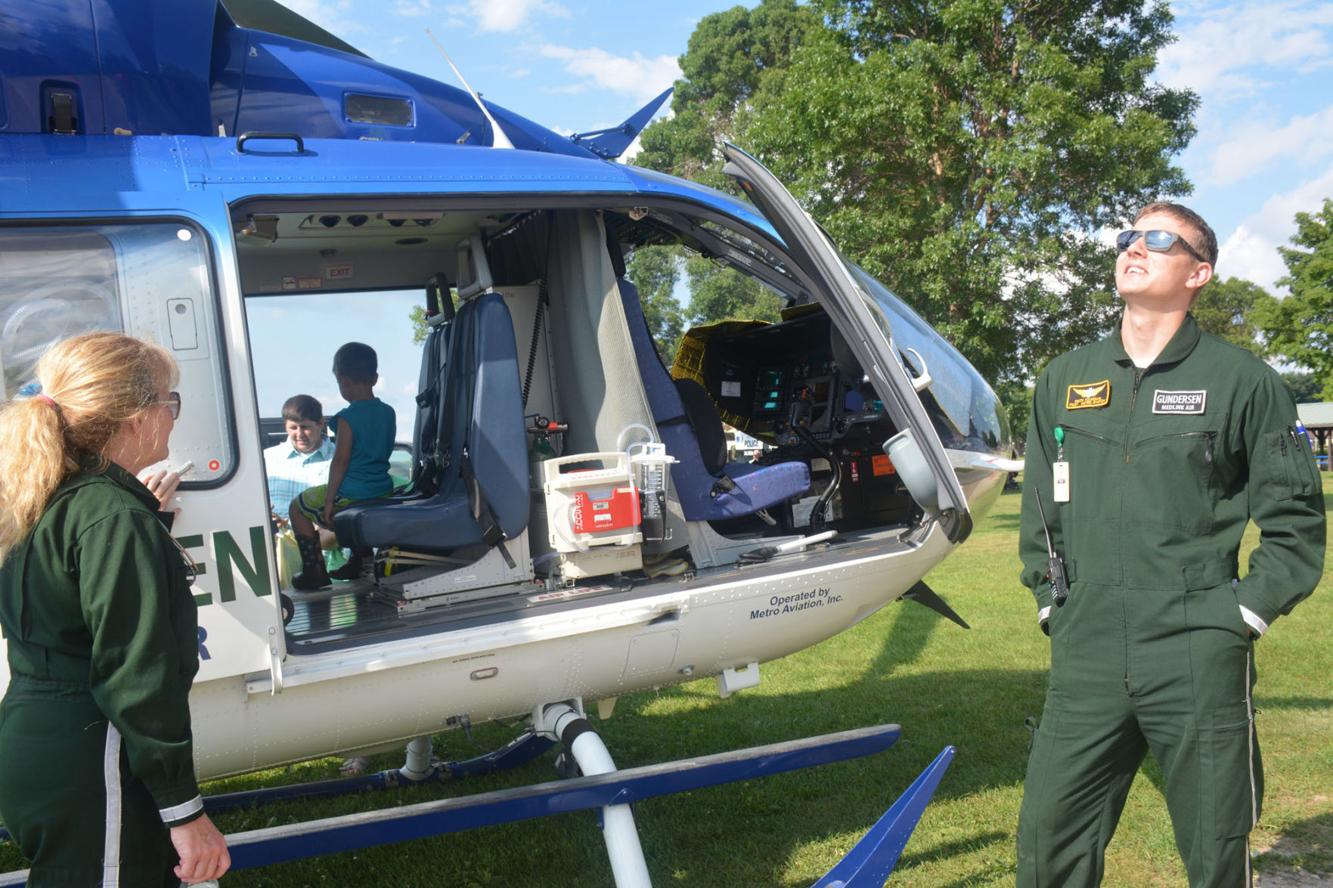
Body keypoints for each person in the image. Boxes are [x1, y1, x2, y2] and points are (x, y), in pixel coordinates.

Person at [1016, 203, 1325, 886]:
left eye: (1158, 239)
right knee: (1046, 841)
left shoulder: (1242, 382)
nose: (1133, 247)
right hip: (1086, 647)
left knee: (1215, 845)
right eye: (1126, 236)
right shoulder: (1063, 380)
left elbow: (1296, 521)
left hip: (1195, 646)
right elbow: (1040, 507)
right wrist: (1049, 601)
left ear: (1199, 272)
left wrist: (1238, 616)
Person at [0, 332, 230, 886]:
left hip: (43, 738)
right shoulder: (113, 517)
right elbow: (137, 680)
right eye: (169, 402)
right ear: (136, 417)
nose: (174, 418)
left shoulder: (42, 497)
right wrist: (185, 813)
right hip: (95, 753)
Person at [290, 342, 396, 590]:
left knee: (297, 508)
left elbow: (341, 460)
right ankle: (360, 560)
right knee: (359, 510)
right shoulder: (388, 412)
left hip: (352, 495)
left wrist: (329, 500)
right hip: (382, 491)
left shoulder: (346, 419)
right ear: (375, 378)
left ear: (343, 381)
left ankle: (314, 570)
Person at [264, 393, 335, 522]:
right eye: (293, 428)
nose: (299, 434)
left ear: (320, 423)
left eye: (305, 427)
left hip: (326, 538)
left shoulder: (341, 459)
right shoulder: (266, 459)